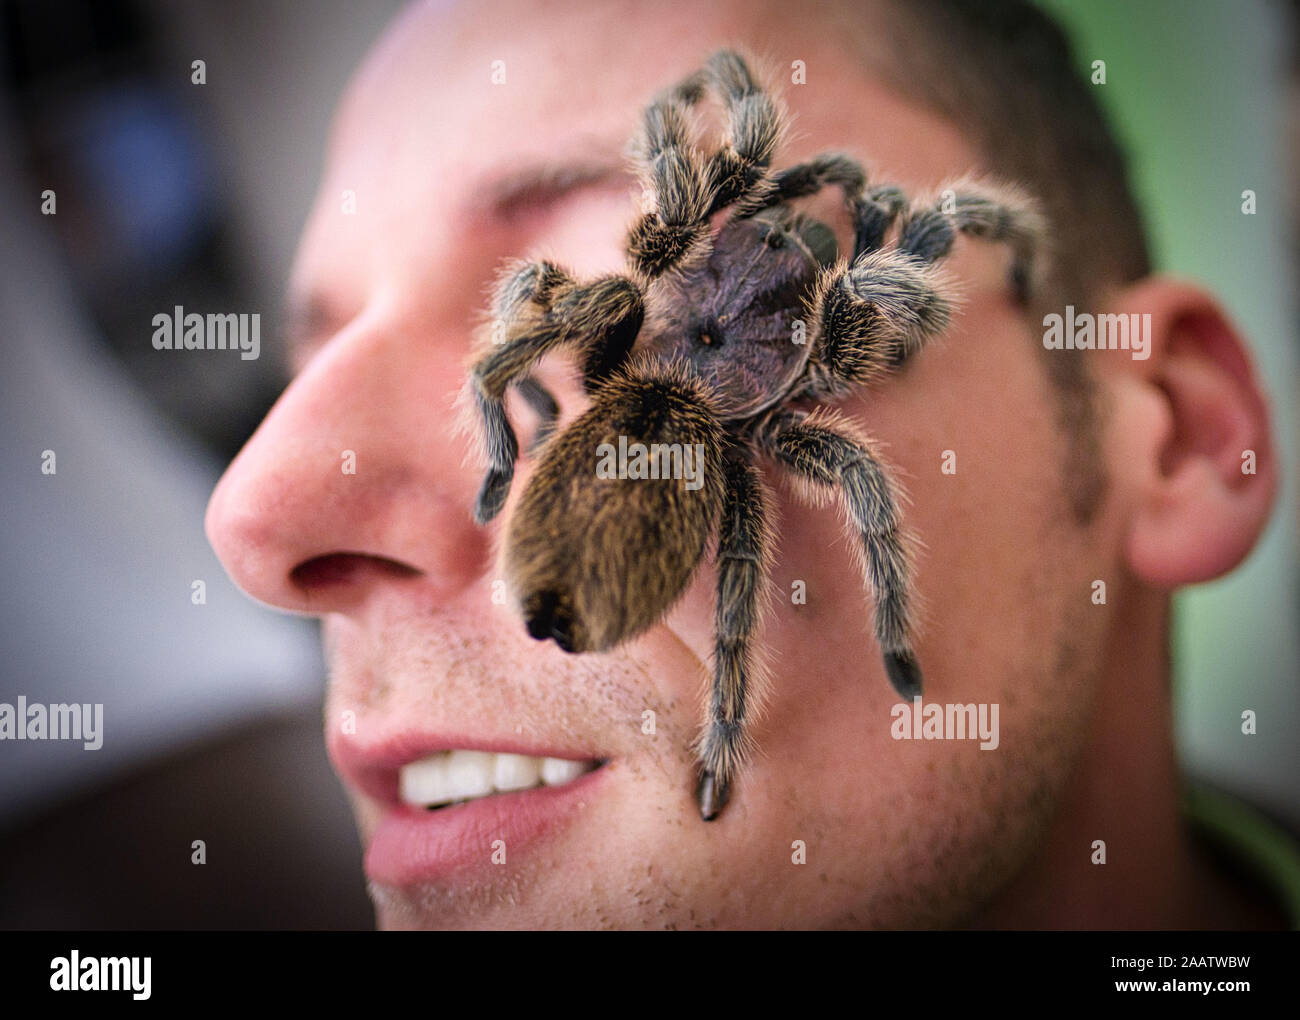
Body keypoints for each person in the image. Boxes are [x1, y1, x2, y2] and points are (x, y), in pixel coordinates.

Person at [204, 0, 1293, 928]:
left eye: (598, 220)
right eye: (309, 359)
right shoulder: (709, 340)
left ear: (1168, 430)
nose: (259, 506)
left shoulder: (666, 319)